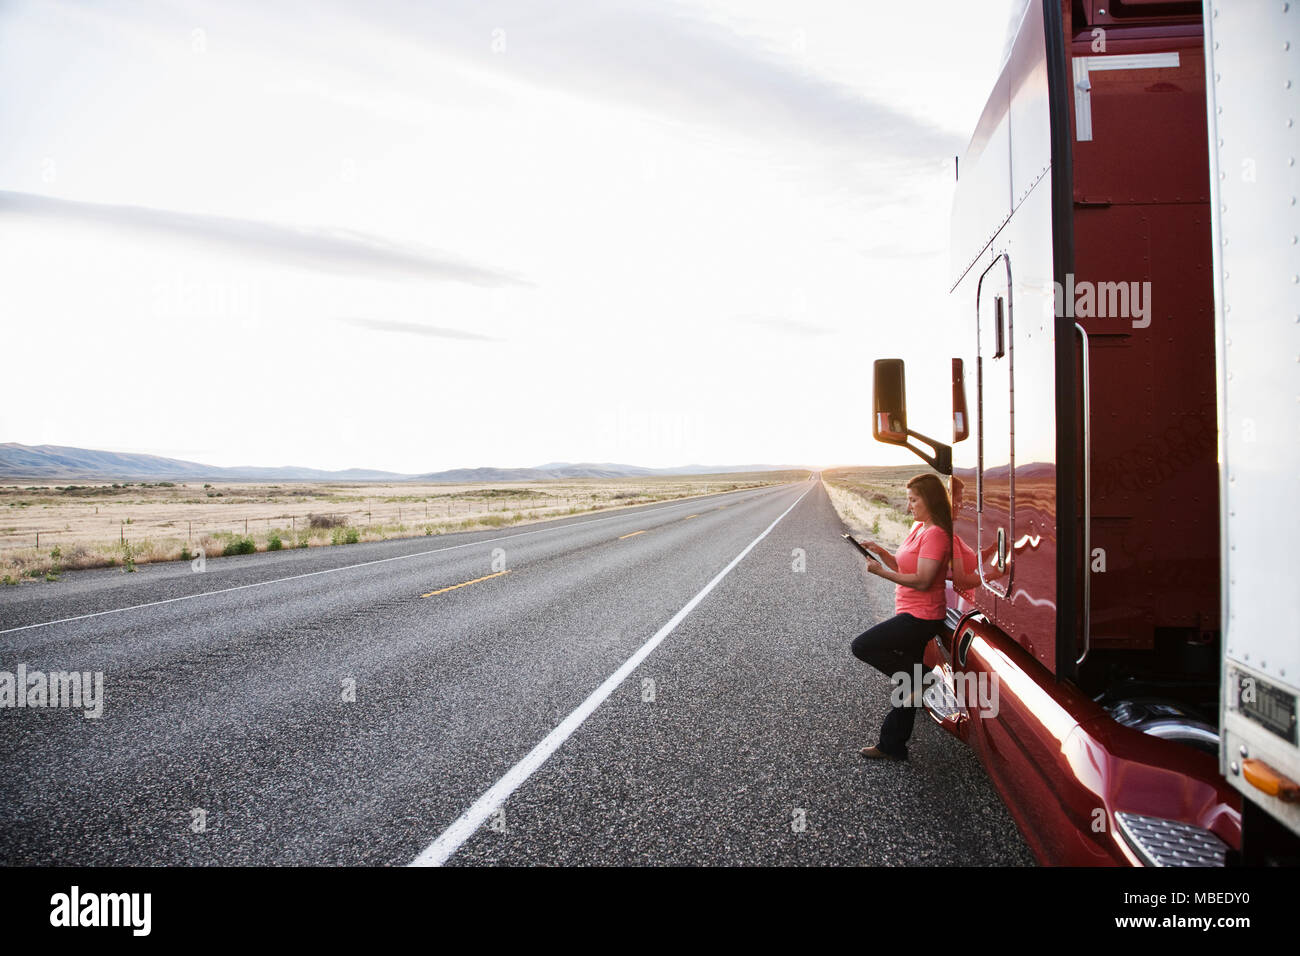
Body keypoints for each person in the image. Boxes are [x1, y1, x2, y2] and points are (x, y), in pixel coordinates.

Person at [850, 473, 956, 761]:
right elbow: (903, 566)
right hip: (909, 611)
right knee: (907, 685)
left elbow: (922, 581)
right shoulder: (919, 527)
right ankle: (892, 745)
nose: (909, 506)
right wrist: (882, 552)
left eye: (913, 500)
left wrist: (879, 572)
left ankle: (923, 679)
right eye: (908, 500)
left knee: (862, 646)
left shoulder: (936, 534)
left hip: (922, 616)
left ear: (930, 499)